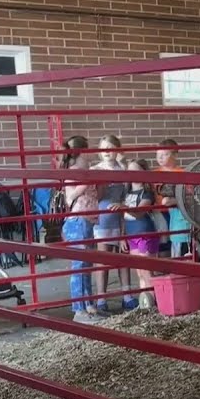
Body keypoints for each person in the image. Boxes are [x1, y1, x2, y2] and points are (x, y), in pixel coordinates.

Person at [59, 135, 102, 323]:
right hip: (78, 220)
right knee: (79, 265)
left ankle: (89, 305)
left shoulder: (85, 170)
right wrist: (89, 179)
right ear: (82, 152)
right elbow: (72, 195)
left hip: (88, 220)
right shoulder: (75, 171)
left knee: (86, 265)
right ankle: (79, 309)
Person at [92, 135, 135, 313]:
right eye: (104, 148)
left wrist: (124, 167)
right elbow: (97, 196)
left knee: (123, 257)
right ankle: (101, 298)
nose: (108, 151)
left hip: (120, 216)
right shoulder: (95, 169)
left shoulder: (124, 168)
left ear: (117, 149)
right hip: (103, 218)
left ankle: (127, 295)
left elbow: (128, 193)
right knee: (103, 259)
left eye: (111, 147)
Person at [122, 159, 158, 310]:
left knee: (147, 270)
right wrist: (122, 236)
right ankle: (145, 302)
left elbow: (140, 212)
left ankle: (155, 301)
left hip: (145, 233)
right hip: (131, 235)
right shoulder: (127, 193)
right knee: (140, 272)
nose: (133, 174)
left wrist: (123, 207)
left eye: (136, 170)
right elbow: (123, 217)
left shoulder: (147, 193)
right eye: (130, 170)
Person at [154, 138, 191, 258]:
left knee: (176, 238)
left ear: (175, 155)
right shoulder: (154, 174)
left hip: (176, 212)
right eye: (158, 154)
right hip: (160, 212)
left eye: (165, 154)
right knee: (163, 241)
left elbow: (188, 193)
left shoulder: (181, 173)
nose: (160, 158)